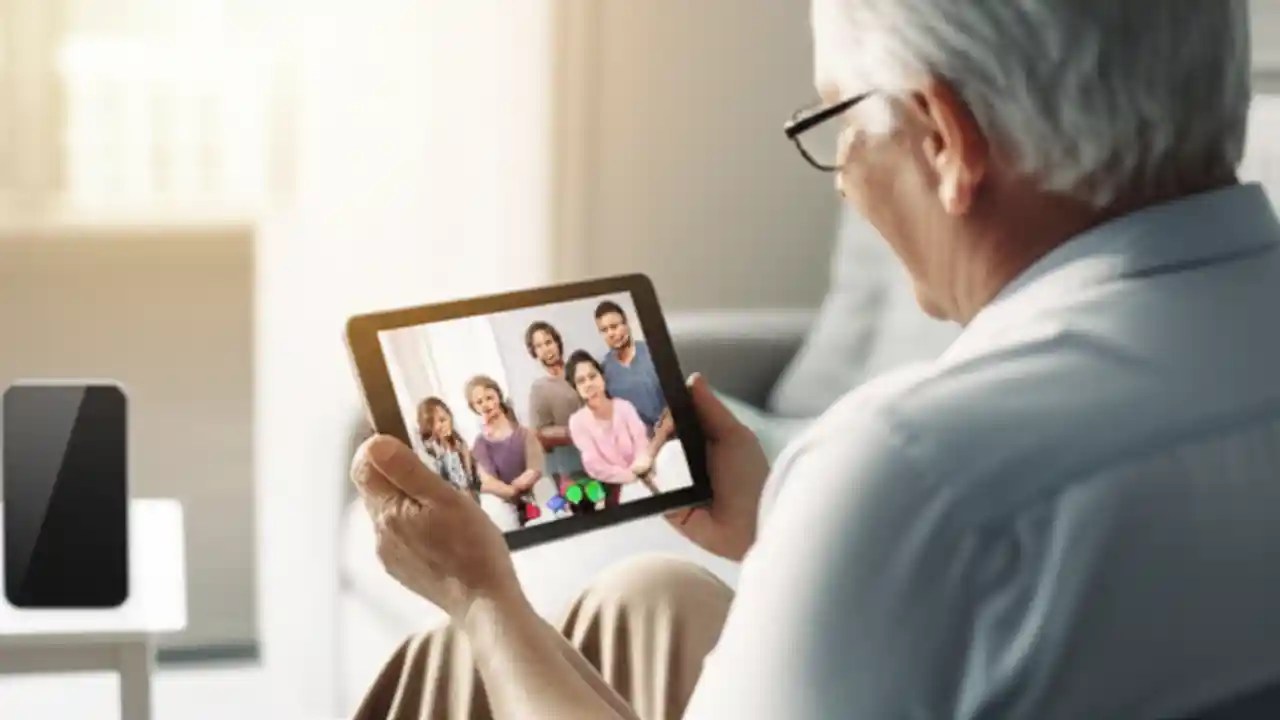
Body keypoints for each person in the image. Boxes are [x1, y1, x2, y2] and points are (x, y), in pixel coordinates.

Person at [350, 2, 1280, 718]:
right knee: (651, 600)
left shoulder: (918, 473)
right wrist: (784, 530)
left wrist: (479, 597)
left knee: (471, 662)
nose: (842, 175)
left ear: (945, 140)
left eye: (840, 124)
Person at [563, 350, 659, 507]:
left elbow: (641, 440)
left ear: (602, 377)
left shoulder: (624, 407)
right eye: (581, 381)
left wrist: (642, 467)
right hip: (617, 488)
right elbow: (593, 464)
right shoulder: (577, 422)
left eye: (592, 376)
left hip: (647, 470)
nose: (589, 384)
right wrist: (631, 476)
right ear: (576, 388)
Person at [523, 320, 590, 512]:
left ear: (557, 342)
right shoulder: (539, 389)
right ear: (533, 352)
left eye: (548, 342)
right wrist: (574, 432)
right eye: (538, 346)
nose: (546, 349)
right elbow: (540, 433)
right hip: (571, 467)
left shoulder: (581, 370)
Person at [464, 375, 546, 528]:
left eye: (489, 398)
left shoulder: (524, 434)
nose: (485, 405)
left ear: (498, 397)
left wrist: (521, 485)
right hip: (505, 506)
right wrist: (510, 491)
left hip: (535, 496)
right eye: (479, 402)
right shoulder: (480, 444)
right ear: (473, 407)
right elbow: (488, 481)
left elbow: (535, 468)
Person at [594, 301, 675, 444]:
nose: (611, 334)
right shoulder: (604, 371)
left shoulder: (654, 352)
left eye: (614, 326)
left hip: (675, 436)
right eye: (604, 330)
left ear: (626, 323)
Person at [415, 396, 479, 503]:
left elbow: (470, 480)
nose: (438, 427)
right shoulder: (432, 455)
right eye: (432, 424)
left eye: (442, 420)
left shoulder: (459, 444)